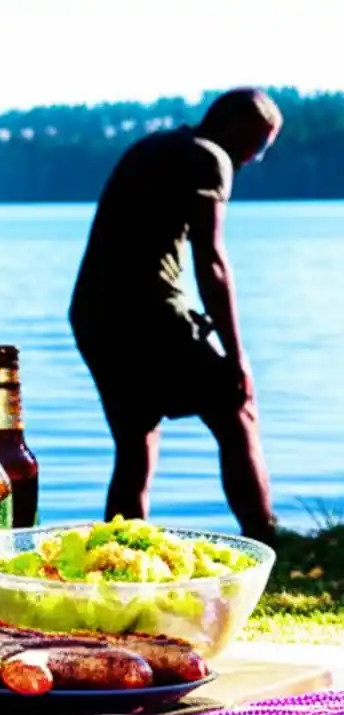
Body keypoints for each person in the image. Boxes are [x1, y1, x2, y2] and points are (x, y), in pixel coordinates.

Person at [69, 88, 282, 546]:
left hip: (93, 315)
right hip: (150, 314)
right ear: (238, 128)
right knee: (236, 407)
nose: (254, 158)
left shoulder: (152, 146)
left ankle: (120, 551)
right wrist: (238, 357)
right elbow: (213, 263)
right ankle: (267, 540)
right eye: (260, 145)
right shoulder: (209, 158)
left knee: (135, 440)